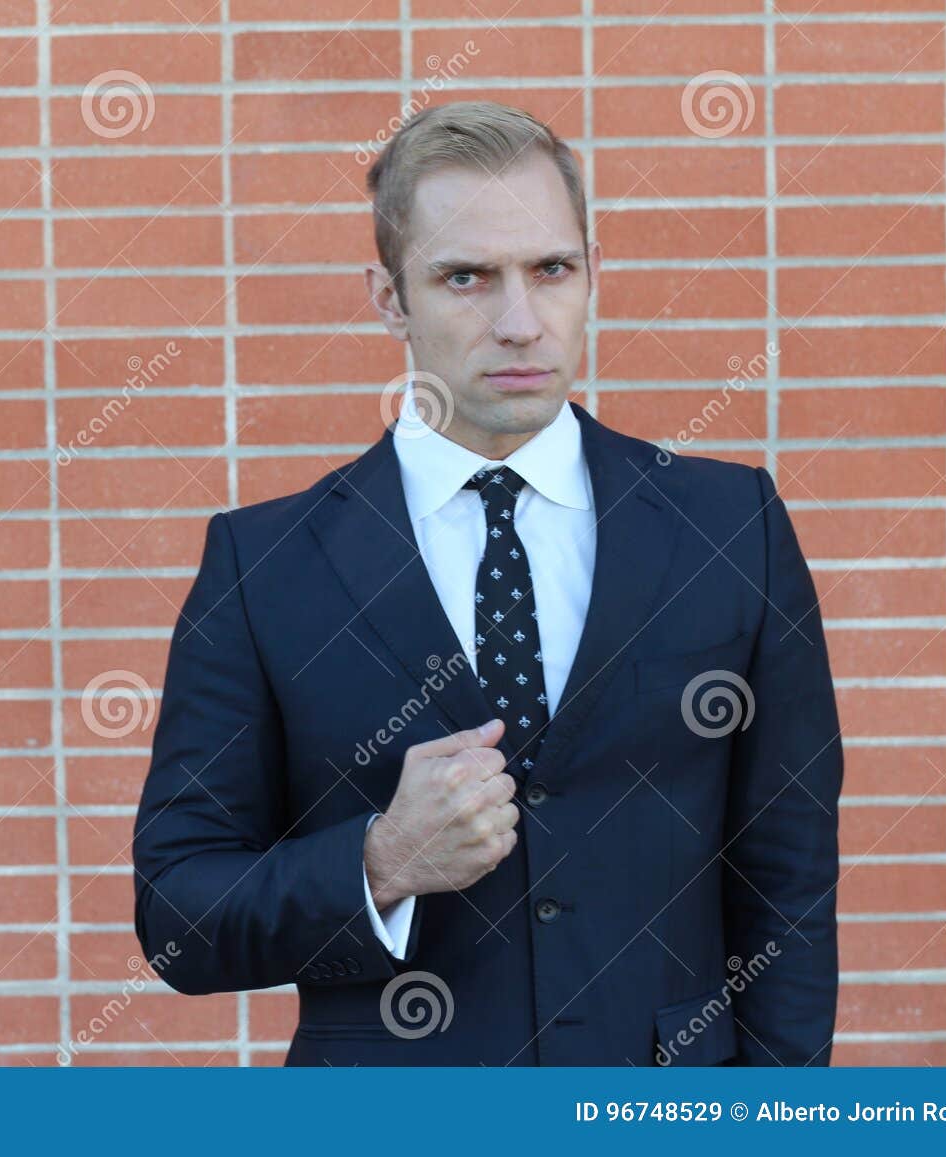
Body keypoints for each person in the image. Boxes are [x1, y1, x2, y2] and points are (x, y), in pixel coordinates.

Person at [132, 101, 842, 1066]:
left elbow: (788, 875)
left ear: (591, 271)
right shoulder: (264, 566)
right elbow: (178, 913)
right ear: (389, 297)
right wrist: (379, 862)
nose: (519, 323)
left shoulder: (731, 526)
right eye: (465, 277)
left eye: (550, 269)